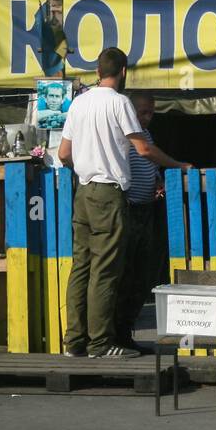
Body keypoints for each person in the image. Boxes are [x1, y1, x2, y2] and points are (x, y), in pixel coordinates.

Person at [58, 48, 189, 358]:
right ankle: (100, 344)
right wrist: (177, 165)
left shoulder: (79, 102)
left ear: (98, 70)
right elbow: (143, 149)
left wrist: (86, 163)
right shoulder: (119, 103)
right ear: (124, 71)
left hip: (83, 191)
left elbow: (64, 153)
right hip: (109, 192)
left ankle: (74, 342)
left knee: (81, 268)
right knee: (105, 270)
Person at [114, 92, 169, 352]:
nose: (147, 118)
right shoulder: (127, 136)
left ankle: (126, 331)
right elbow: (141, 156)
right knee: (126, 275)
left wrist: (157, 180)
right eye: (143, 112)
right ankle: (118, 332)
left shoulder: (145, 135)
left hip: (147, 208)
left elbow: (149, 165)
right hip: (130, 210)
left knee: (142, 275)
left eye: (151, 113)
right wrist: (178, 164)